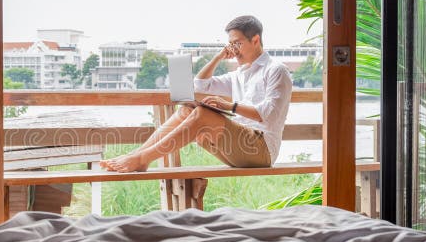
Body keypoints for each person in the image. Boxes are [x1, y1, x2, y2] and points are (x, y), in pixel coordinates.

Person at [100, 15, 292, 173]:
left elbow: (269, 114)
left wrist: (228, 106)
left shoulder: (276, 70)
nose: (233, 51)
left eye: (237, 44)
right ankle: (138, 156)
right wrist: (218, 57)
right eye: (230, 45)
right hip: (236, 147)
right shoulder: (239, 74)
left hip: (260, 150)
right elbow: (200, 85)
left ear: (255, 40)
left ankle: (142, 159)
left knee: (203, 114)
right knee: (187, 109)